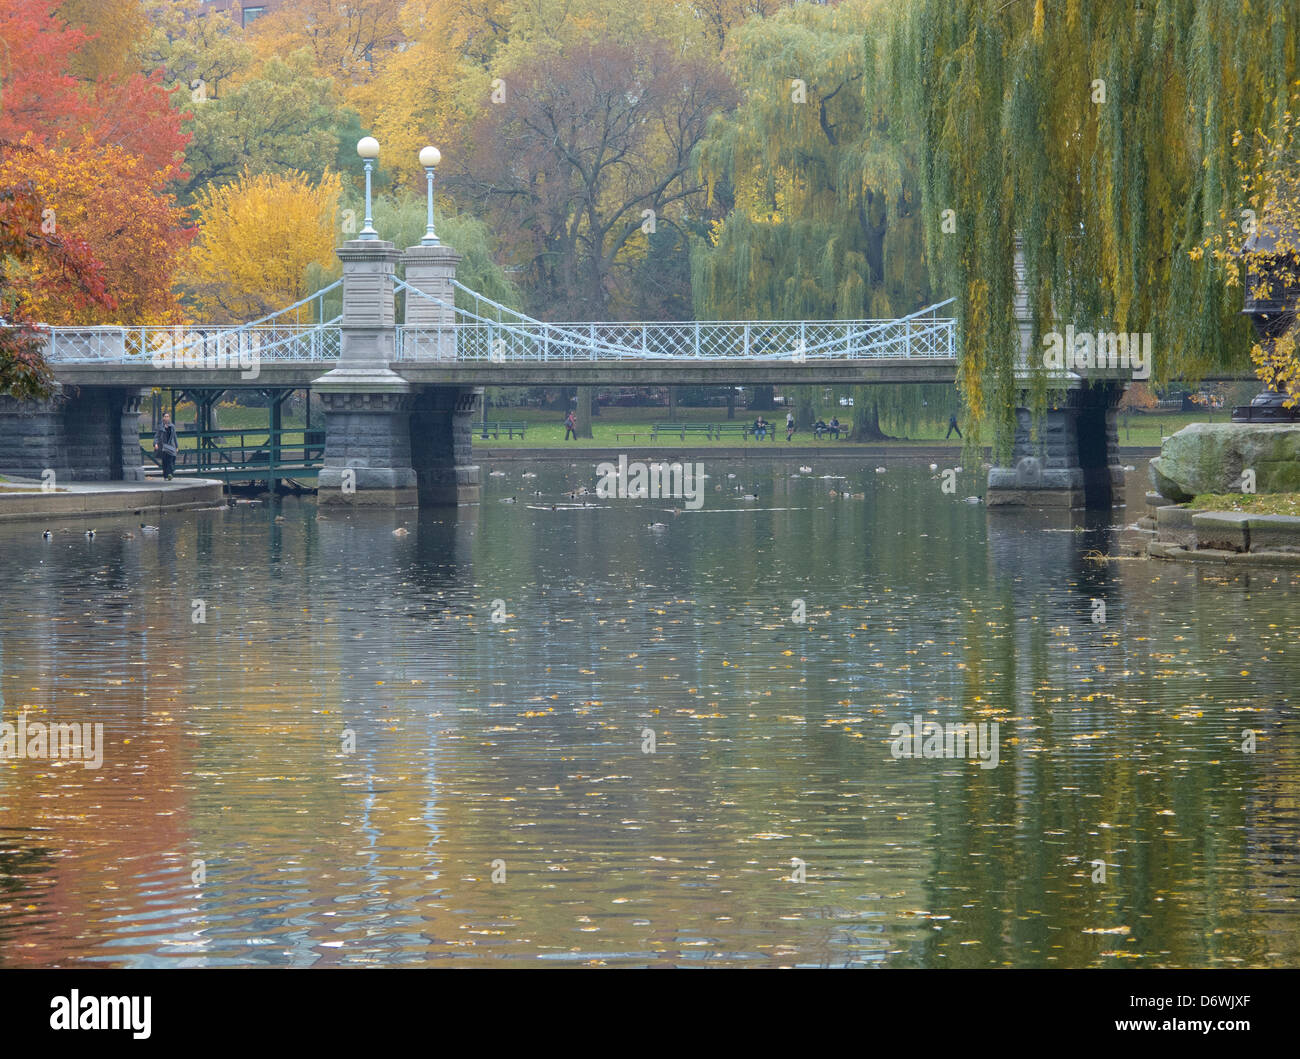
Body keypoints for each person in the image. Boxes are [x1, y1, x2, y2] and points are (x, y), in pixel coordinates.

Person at [154, 411, 179, 480]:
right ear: (163, 418)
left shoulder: (172, 426)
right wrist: (155, 444)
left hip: (171, 446)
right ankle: (165, 475)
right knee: (165, 461)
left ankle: (170, 474)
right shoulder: (160, 427)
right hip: (164, 447)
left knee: (171, 460)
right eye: (165, 416)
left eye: (167, 416)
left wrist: (177, 446)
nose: (166, 418)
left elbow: (175, 436)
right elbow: (157, 436)